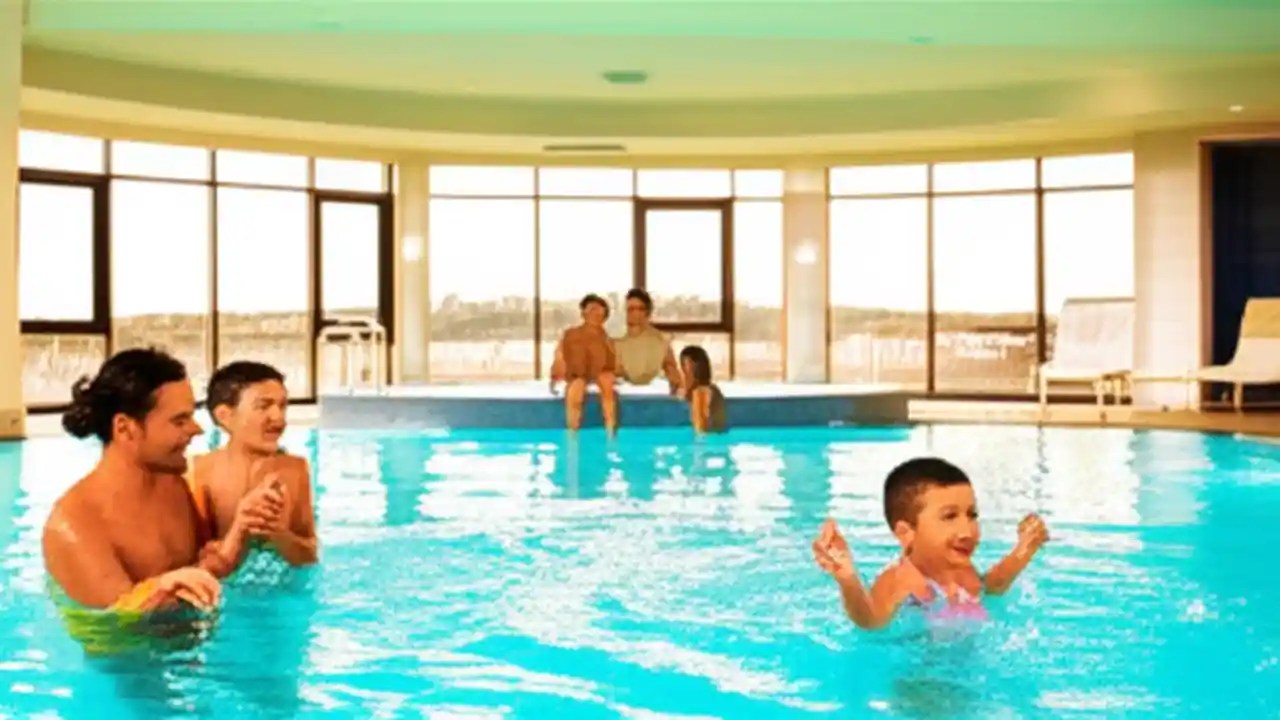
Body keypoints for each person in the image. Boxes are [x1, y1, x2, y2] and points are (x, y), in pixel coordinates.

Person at [41, 349, 272, 619]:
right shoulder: (75, 525)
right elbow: (113, 631)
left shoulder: (172, 486)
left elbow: (202, 575)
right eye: (179, 420)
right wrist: (159, 589)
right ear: (125, 429)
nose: (196, 429)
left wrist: (241, 527)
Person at [812, 457, 1049, 629]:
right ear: (906, 533)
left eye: (972, 515)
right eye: (949, 516)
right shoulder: (899, 579)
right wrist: (848, 580)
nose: (967, 530)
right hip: (918, 682)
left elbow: (989, 588)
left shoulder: (960, 569)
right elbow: (870, 620)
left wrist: (1024, 550)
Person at [192, 361, 318, 571]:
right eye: (263, 406)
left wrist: (279, 533)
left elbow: (310, 555)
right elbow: (195, 562)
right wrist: (240, 529)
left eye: (282, 406)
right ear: (225, 416)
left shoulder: (294, 469)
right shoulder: (201, 472)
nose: (278, 417)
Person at [549, 294, 619, 432]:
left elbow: (614, 364)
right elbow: (560, 355)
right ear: (584, 313)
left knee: (607, 385)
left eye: (600, 310)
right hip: (578, 374)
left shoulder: (607, 340)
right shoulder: (571, 334)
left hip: (601, 373)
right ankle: (572, 434)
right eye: (592, 309)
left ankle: (611, 433)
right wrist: (555, 376)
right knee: (576, 389)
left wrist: (614, 375)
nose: (597, 313)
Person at [614, 288, 682, 394]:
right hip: (623, 393)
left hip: (654, 393)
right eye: (630, 309)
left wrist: (678, 391)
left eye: (640, 309)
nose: (634, 313)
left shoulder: (661, 340)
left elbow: (672, 370)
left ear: (647, 312)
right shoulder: (617, 340)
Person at [679, 345, 727, 434]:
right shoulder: (710, 389)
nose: (681, 372)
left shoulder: (701, 392)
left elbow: (701, 430)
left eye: (683, 366)